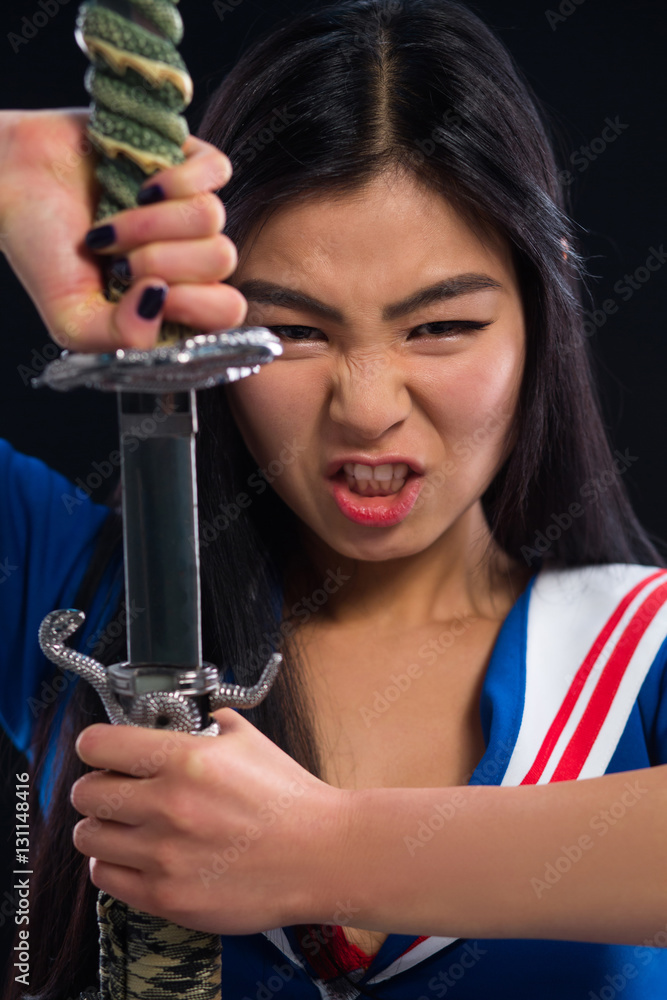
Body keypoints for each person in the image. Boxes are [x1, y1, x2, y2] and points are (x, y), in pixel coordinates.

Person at [1, 0, 667, 998]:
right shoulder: (71, 587)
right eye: (292, 334)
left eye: (439, 326)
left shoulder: (639, 645)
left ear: (544, 307)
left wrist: (321, 847)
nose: (366, 409)